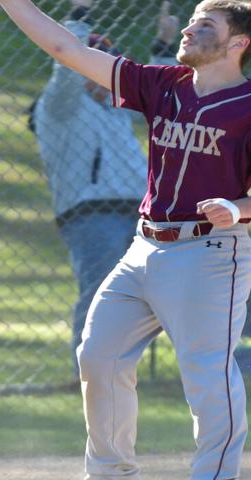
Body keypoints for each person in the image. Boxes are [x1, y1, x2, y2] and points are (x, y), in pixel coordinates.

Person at [0, 0, 251, 480]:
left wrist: (240, 206)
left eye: (206, 24)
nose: (189, 28)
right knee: (99, 355)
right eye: (191, 20)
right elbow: (64, 48)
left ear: (238, 44)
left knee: (206, 370)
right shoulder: (163, 85)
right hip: (144, 246)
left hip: (209, 251)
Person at [32, 0, 157, 374]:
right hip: (92, 215)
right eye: (100, 61)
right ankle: (87, 375)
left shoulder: (119, 110)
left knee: (146, 298)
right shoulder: (60, 106)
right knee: (100, 295)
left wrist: (164, 48)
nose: (110, 69)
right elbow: (65, 67)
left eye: (113, 62)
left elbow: (163, 96)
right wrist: (80, 18)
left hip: (139, 213)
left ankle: (120, 371)